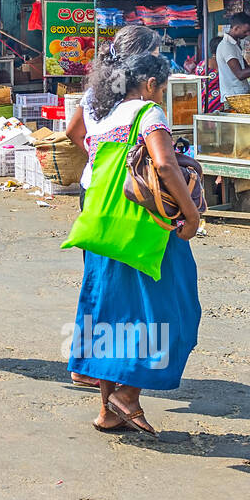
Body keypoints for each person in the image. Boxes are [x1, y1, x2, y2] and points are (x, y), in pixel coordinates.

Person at [68, 48, 201, 436]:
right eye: (162, 88)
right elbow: (163, 164)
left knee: (111, 314)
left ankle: (108, 411)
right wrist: (191, 217)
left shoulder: (103, 113)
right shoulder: (148, 113)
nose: (162, 96)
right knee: (171, 311)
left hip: (103, 227)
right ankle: (127, 396)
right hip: (148, 230)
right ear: (149, 84)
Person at [65, 24, 163, 389]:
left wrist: (98, 157)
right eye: (156, 53)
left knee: (98, 280)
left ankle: (91, 365)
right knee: (116, 284)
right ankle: (95, 367)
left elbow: (74, 132)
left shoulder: (95, 93)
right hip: (126, 197)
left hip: (94, 193)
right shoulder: (139, 102)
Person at [215, 12, 250, 102]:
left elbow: (247, 69)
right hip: (232, 98)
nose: (248, 34)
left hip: (239, 95)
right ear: (236, 28)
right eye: (245, 31)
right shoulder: (227, 46)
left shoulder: (235, 45)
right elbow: (240, 74)